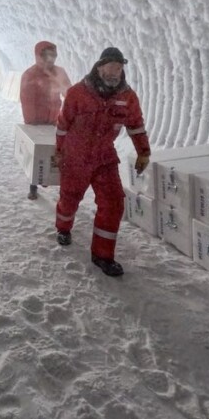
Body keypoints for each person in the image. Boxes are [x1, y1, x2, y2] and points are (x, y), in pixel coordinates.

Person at [54, 47, 150, 277]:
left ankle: (102, 255)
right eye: (110, 67)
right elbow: (63, 123)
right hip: (76, 156)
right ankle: (63, 227)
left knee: (114, 202)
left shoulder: (127, 97)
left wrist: (143, 152)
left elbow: (135, 125)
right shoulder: (78, 93)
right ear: (99, 67)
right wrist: (59, 151)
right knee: (70, 198)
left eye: (118, 68)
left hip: (104, 158)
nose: (114, 72)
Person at [20, 41, 72, 200]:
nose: (50, 59)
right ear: (38, 56)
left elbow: (69, 94)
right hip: (36, 122)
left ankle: (60, 186)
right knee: (37, 154)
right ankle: (33, 186)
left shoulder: (59, 73)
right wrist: (32, 123)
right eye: (46, 55)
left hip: (55, 120)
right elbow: (27, 100)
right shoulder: (30, 75)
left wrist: (69, 114)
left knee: (58, 153)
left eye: (52, 55)